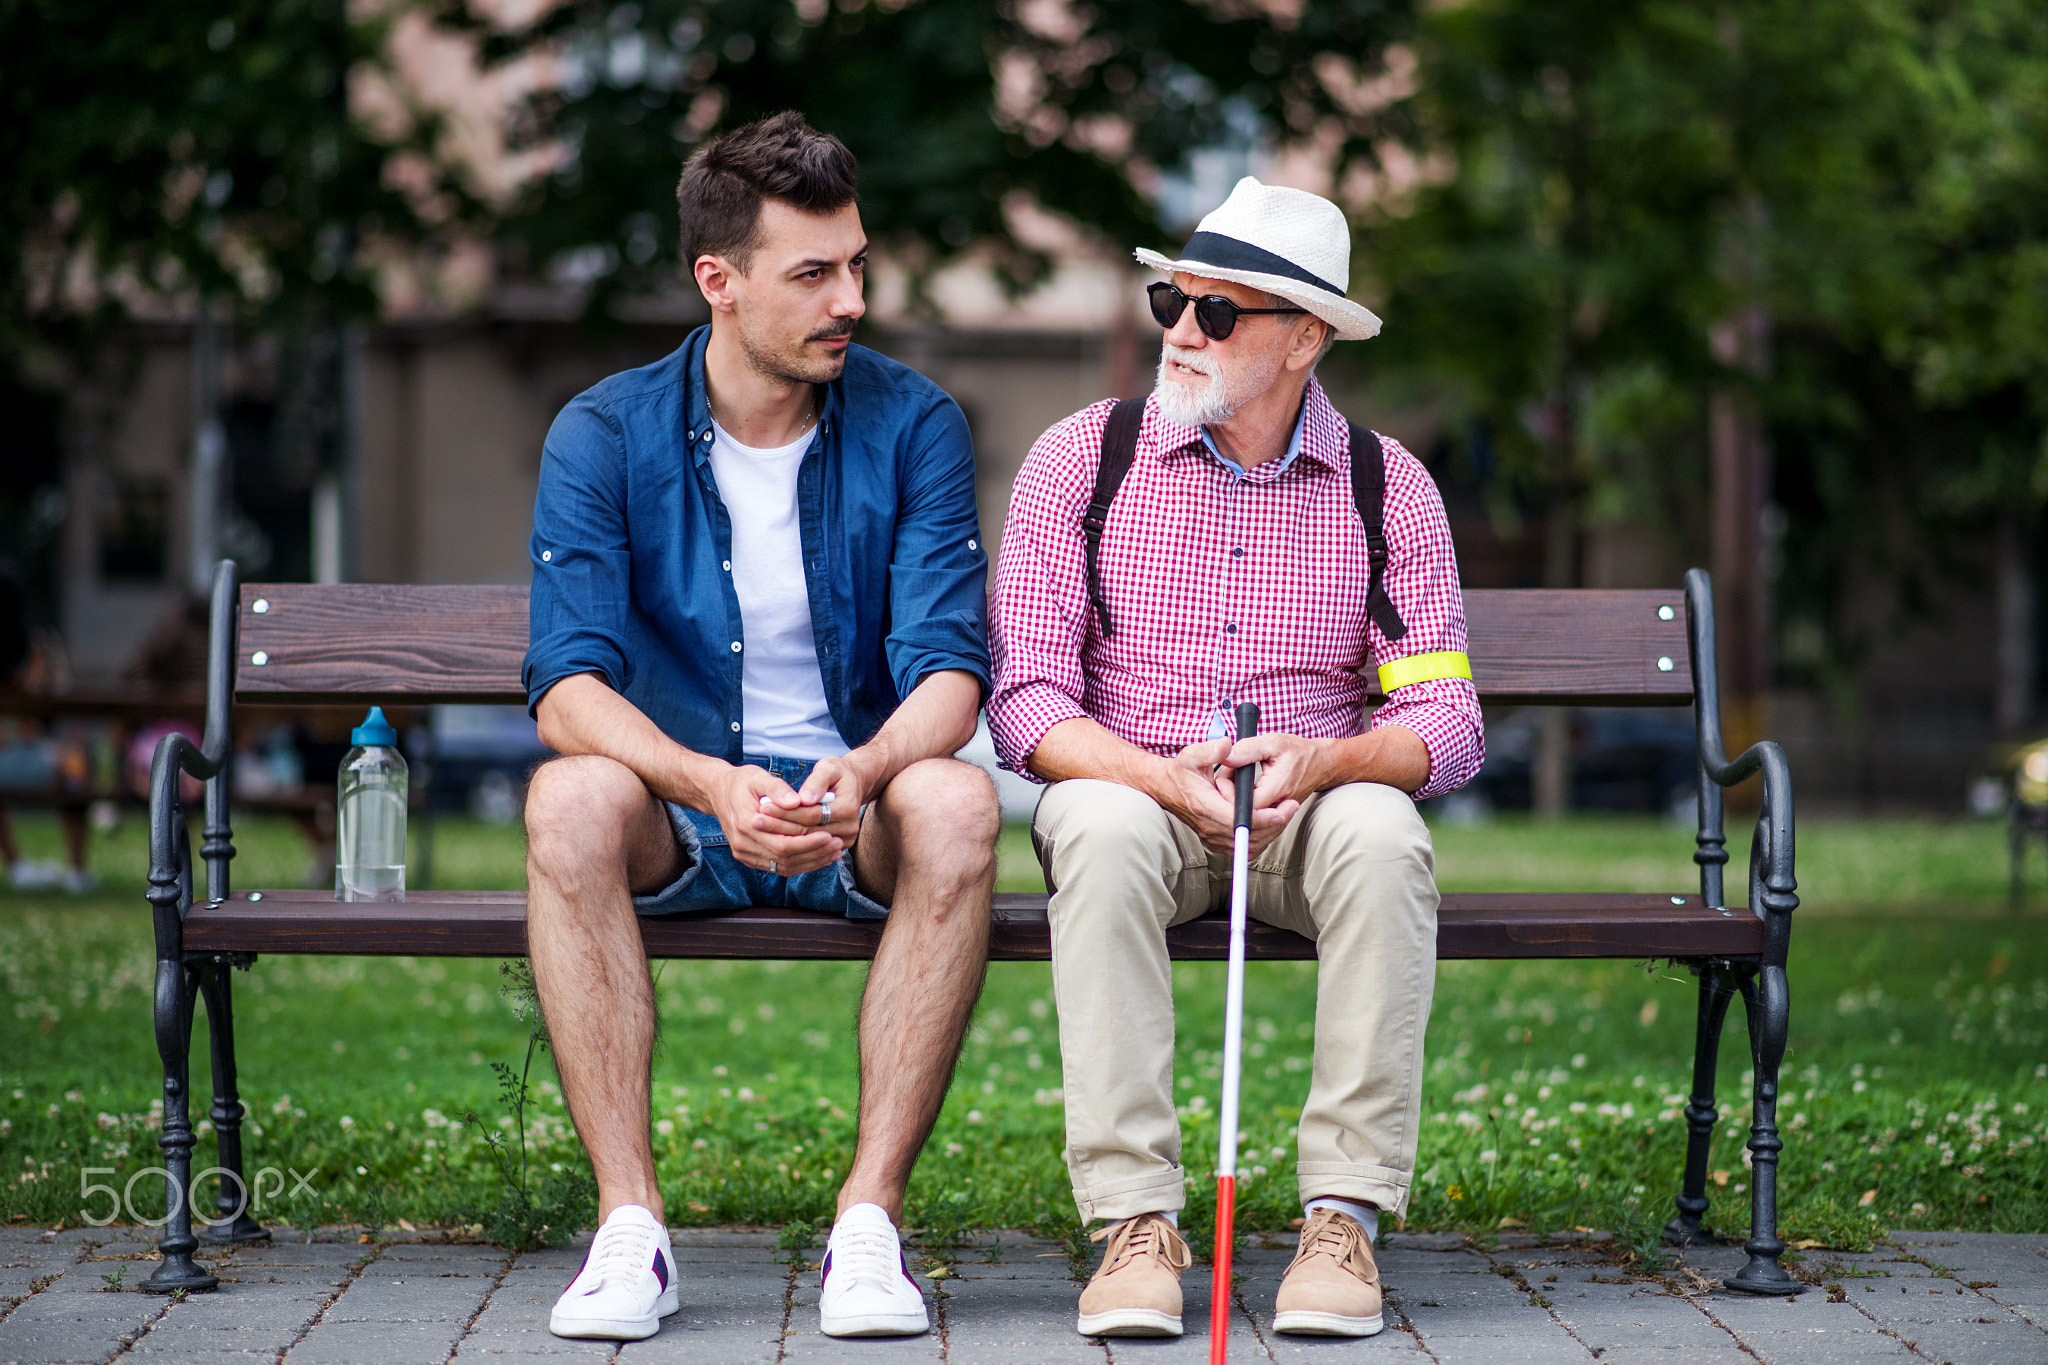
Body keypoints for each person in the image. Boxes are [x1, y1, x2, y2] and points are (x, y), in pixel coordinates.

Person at [521, 111, 999, 1344]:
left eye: (856, 266)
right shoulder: (603, 432)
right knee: (566, 796)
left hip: (862, 805)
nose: (850, 299)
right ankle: (629, 1229)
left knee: (954, 800)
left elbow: (951, 671)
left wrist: (870, 767)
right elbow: (565, 685)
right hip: (684, 809)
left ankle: (868, 1231)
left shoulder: (915, 424)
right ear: (717, 282)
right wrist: (705, 780)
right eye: (813, 275)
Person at [988, 177, 1485, 1340]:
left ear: (1304, 338)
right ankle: (1133, 1224)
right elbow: (1024, 703)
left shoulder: (1385, 486)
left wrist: (1330, 760)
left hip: (1305, 808)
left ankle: (1342, 1219)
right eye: (1172, 300)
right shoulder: (1082, 460)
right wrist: (1154, 776)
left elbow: (1446, 721)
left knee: (1382, 830)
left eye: (1217, 314)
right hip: (1137, 791)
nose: (1179, 331)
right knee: (1098, 830)